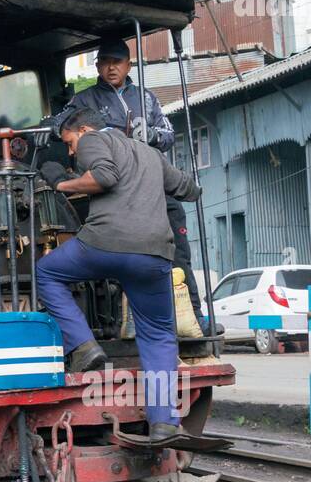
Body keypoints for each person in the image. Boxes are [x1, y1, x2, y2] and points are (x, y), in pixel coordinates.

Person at [35, 107, 202, 442]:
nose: (71, 150)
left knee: (47, 273)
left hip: (104, 245)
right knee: (158, 335)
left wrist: (61, 183)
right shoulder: (150, 153)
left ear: (82, 130)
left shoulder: (93, 139)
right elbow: (187, 188)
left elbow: (104, 176)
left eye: (69, 142)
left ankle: (83, 347)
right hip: (155, 254)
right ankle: (164, 422)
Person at [54, 36, 210, 330]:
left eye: (118, 62)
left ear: (129, 65)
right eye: (105, 63)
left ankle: (196, 319)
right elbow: (58, 126)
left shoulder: (147, 98)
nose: (111, 68)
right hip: (113, 190)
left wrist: (147, 135)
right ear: (98, 66)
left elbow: (167, 133)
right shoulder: (83, 101)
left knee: (179, 252)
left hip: (152, 181)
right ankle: (118, 322)